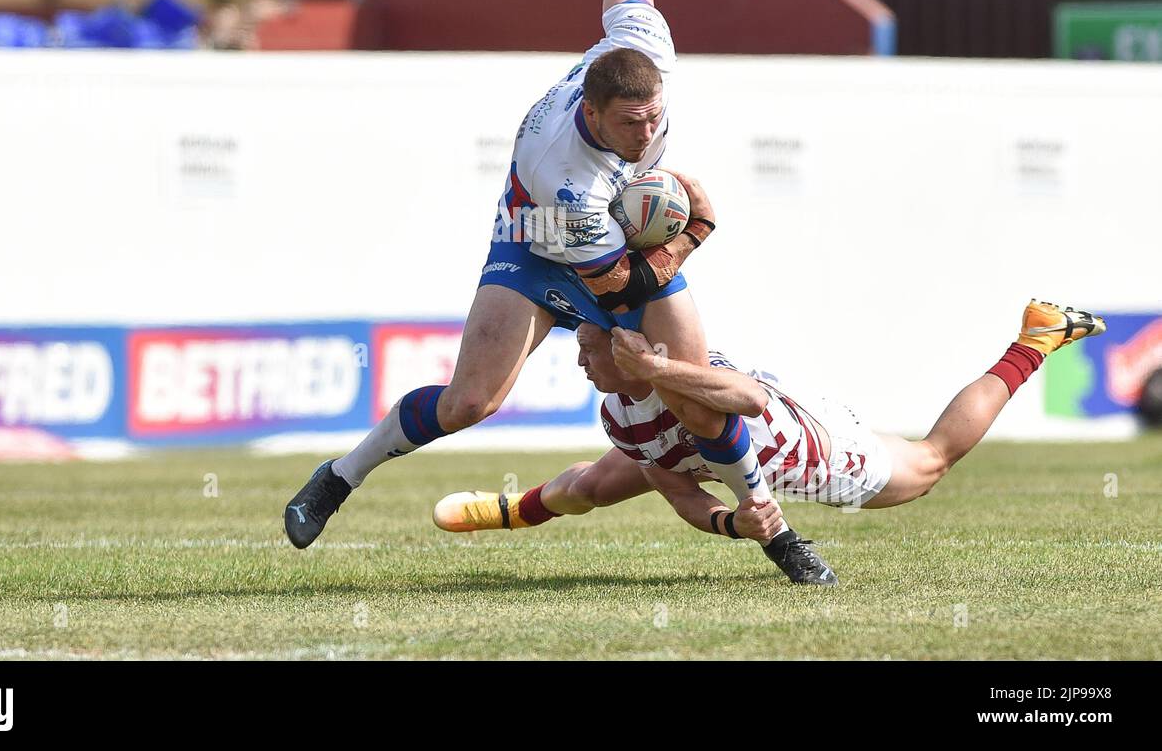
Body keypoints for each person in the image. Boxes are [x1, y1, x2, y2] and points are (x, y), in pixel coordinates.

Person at [285, 0, 786, 550]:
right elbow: (618, 284)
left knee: (694, 387)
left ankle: (775, 529)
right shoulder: (564, 172)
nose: (648, 135)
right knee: (468, 402)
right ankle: (338, 475)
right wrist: (694, 233)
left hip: (610, 235)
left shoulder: (646, 53)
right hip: (539, 238)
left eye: (655, 119)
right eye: (630, 125)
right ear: (591, 112)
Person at [433, 301, 1107, 584]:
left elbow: (749, 400)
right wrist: (730, 521)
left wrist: (657, 370)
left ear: (629, 347)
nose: (579, 359)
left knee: (930, 463)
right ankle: (511, 509)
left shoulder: (683, 372)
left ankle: (1034, 338)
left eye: (587, 346)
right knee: (593, 484)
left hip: (803, 448)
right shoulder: (618, 412)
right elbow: (680, 494)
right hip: (704, 456)